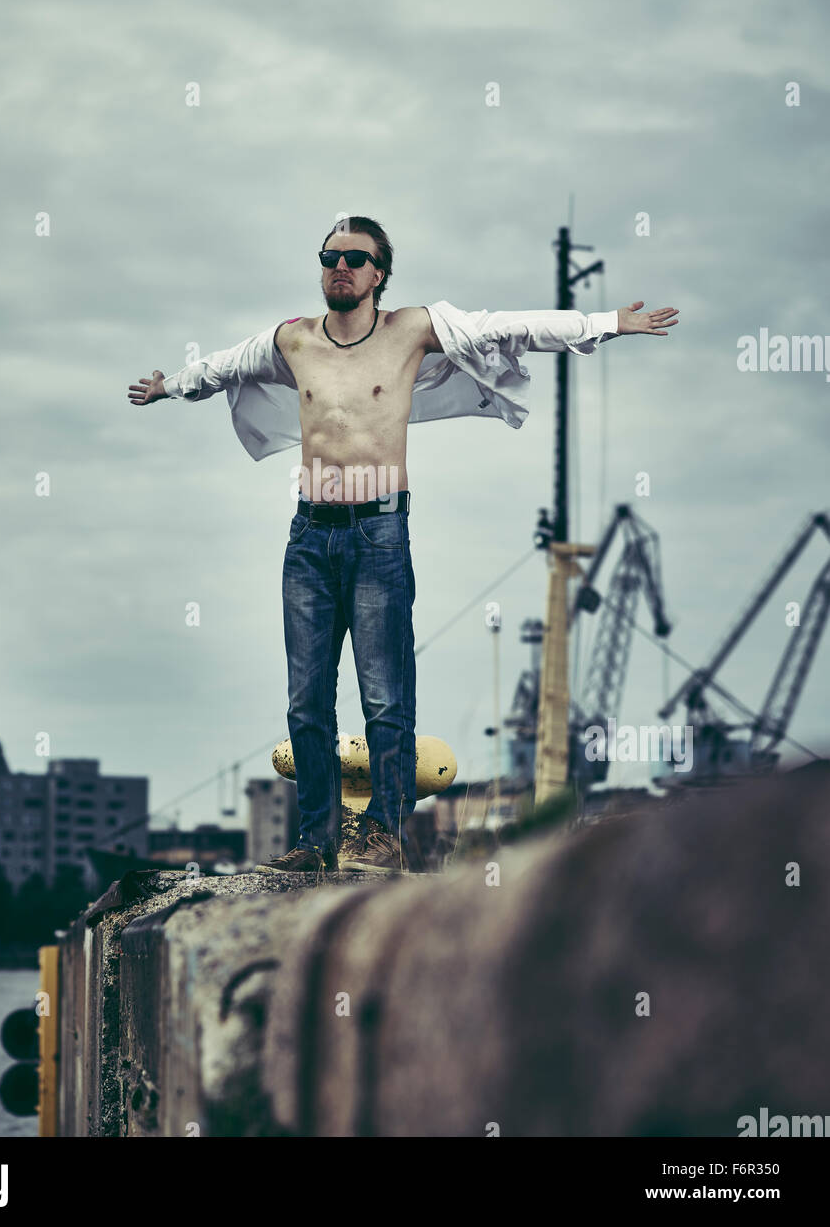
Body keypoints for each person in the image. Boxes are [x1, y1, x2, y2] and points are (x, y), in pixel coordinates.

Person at [128, 215, 680, 875]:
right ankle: (314, 839)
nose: (340, 266)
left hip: (378, 533)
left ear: (378, 273)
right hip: (309, 535)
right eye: (329, 255)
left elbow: (510, 327)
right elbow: (221, 367)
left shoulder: (413, 330)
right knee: (306, 699)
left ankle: (382, 831)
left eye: (355, 258)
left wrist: (605, 323)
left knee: (385, 696)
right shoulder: (291, 340)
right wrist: (170, 387)